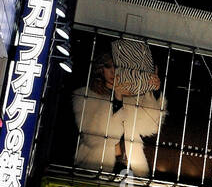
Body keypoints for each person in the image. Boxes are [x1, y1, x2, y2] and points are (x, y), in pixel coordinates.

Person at [71, 39, 166, 176]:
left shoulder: (131, 96)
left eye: (117, 67)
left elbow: (150, 127)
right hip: (94, 167)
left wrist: (151, 90)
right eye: (108, 66)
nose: (113, 72)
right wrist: (117, 99)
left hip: (131, 168)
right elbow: (96, 137)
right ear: (100, 69)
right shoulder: (85, 95)